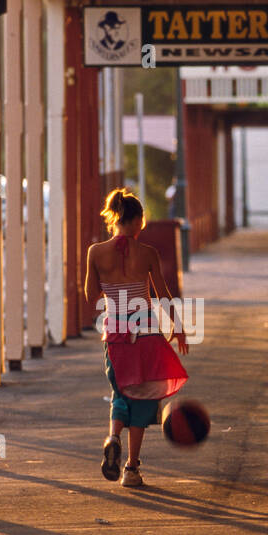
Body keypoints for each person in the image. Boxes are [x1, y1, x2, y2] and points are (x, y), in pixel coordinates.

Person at [84, 188, 188, 488]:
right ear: (138, 220)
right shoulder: (148, 253)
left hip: (116, 332)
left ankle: (113, 437)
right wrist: (178, 326)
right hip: (146, 332)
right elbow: (163, 293)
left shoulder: (95, 252)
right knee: (143, 398)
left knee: (120, 392)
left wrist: (111, 285)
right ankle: (131, 468)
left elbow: (91, 295)